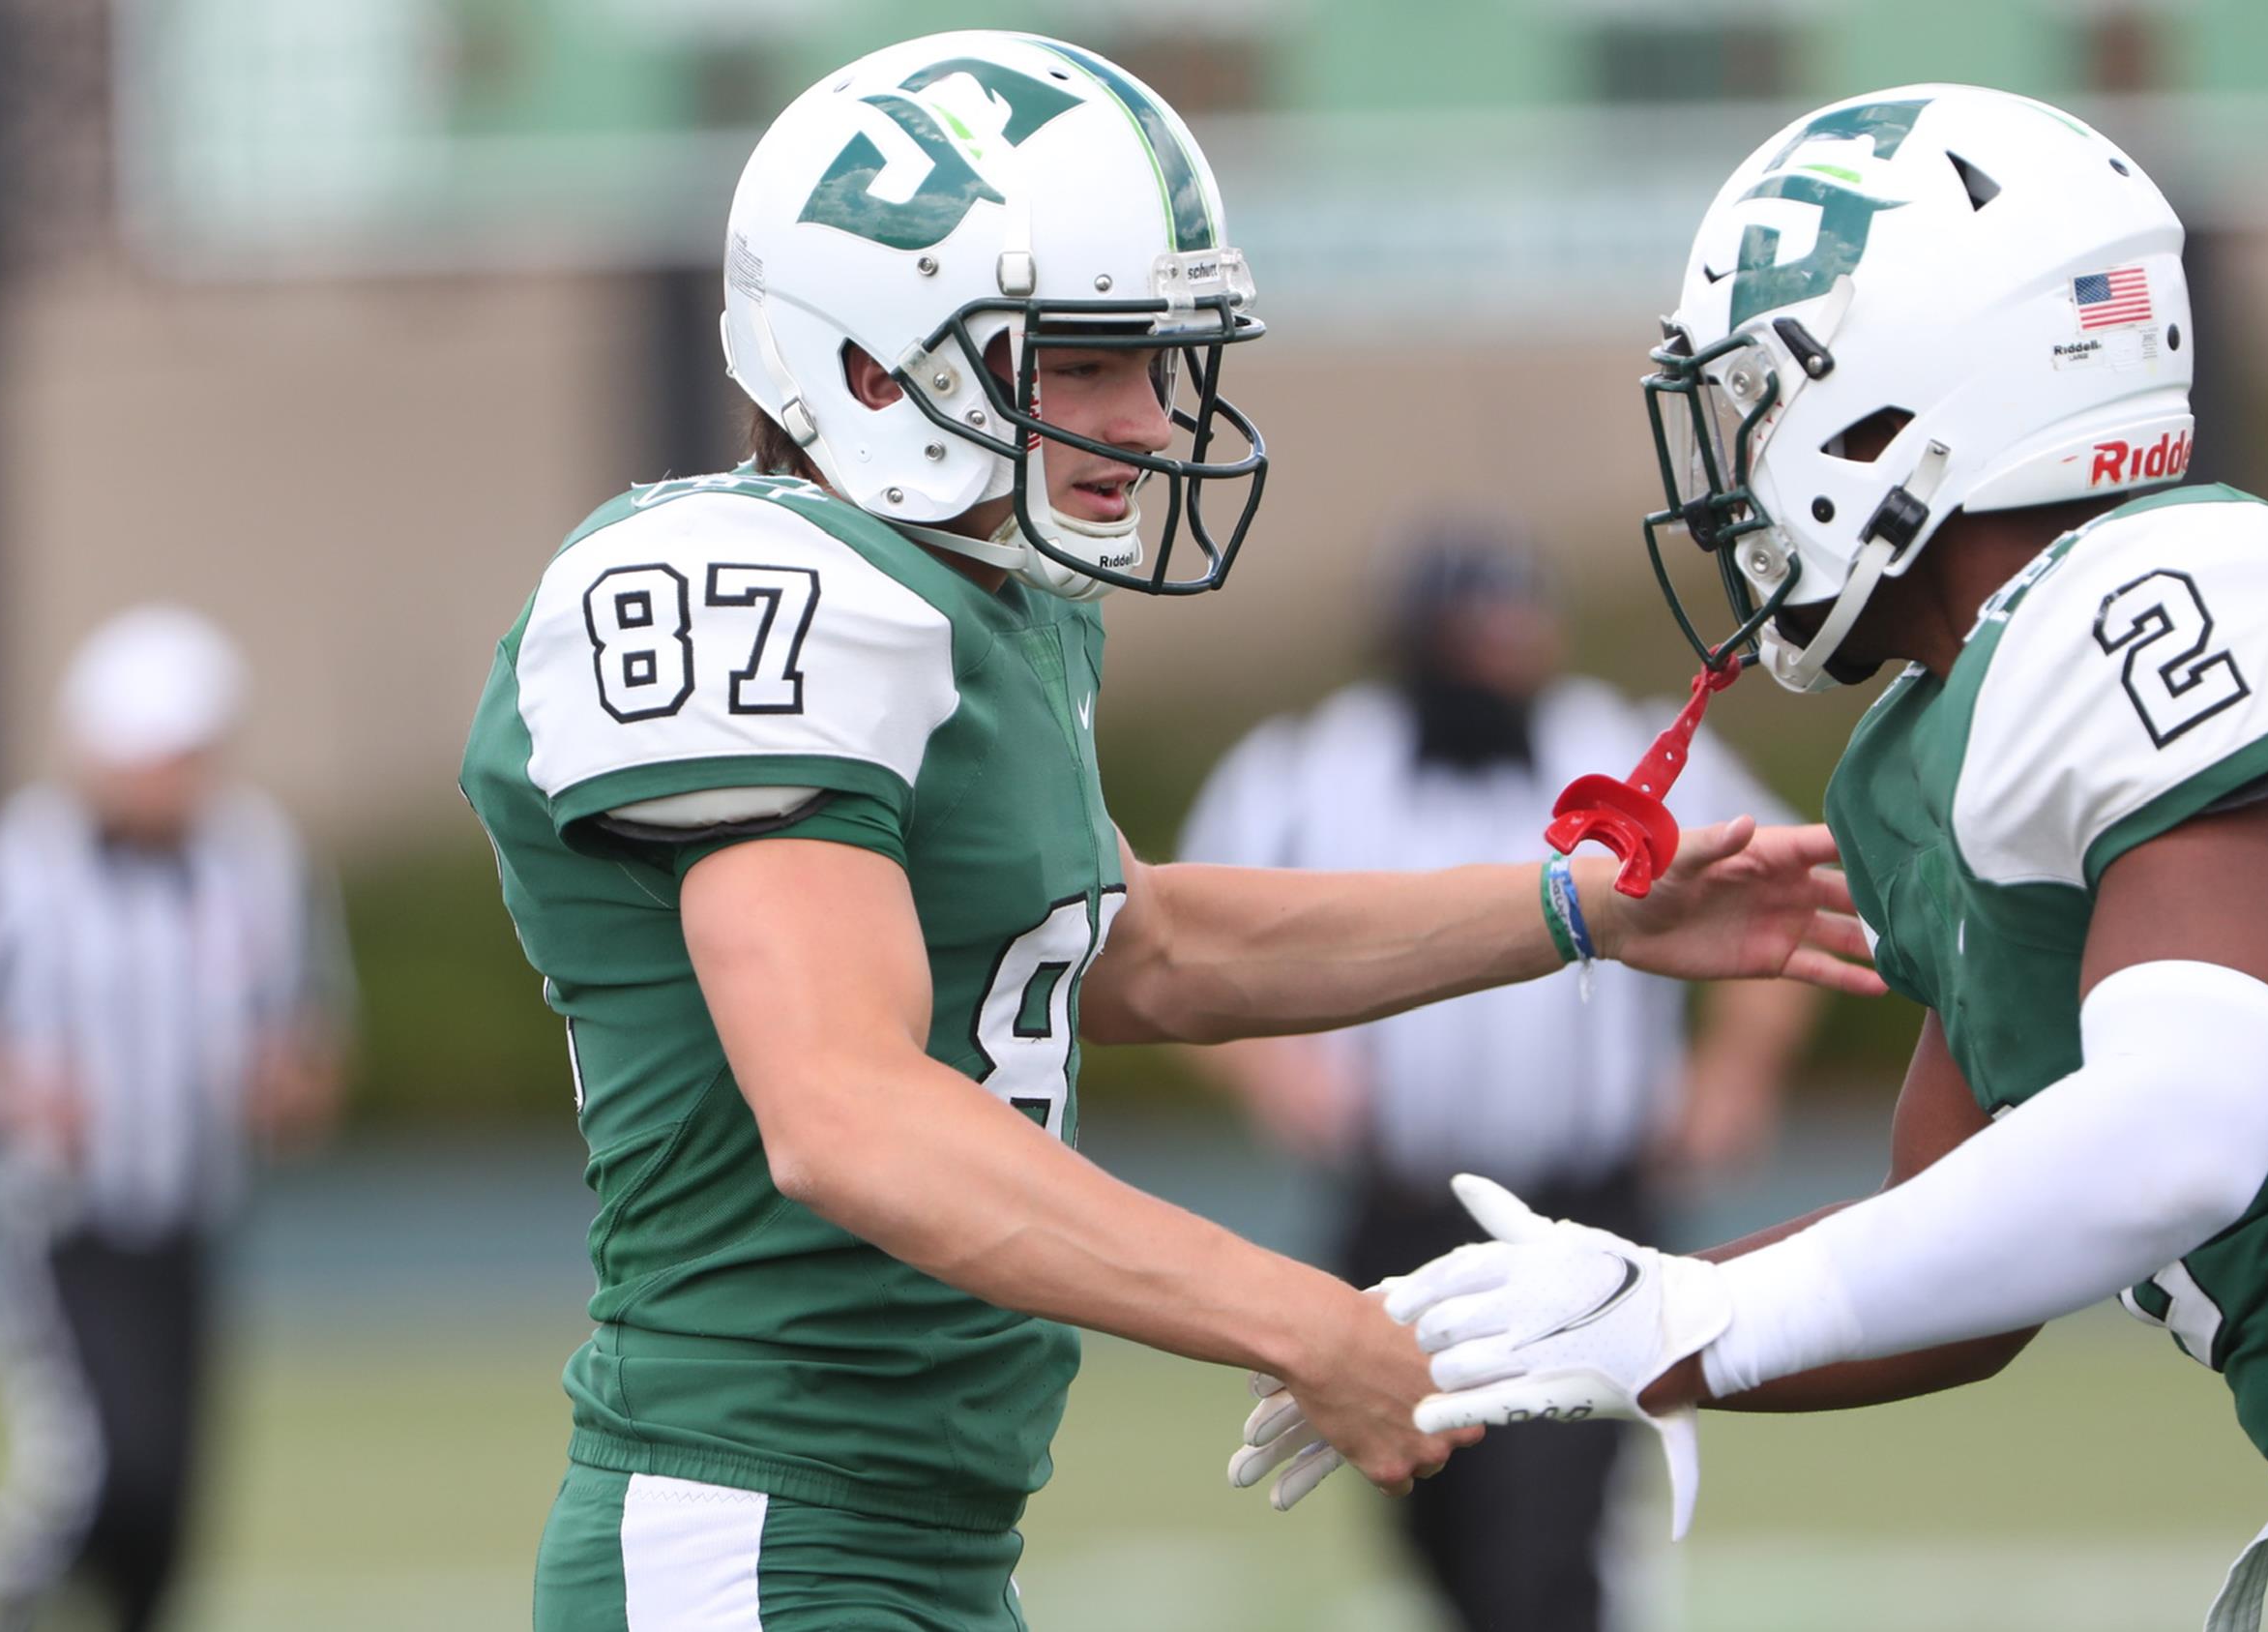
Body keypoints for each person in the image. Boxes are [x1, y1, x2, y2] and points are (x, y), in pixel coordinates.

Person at [456, 32, 1875, 1631]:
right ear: (869, 368)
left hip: (907, 1531)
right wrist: (1295, 1315)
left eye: (1153, 359)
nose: (1143, 418)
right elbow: (844, 1109)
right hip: (756, 1521)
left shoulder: (971, 600)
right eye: (1079, 362)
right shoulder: (760, 587)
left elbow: (1140, 945)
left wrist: (1578, 909)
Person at [1334, 83, 2268, 1632]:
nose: (1732, 475)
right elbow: (1955, 1267)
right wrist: (1598, 1324)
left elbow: (2181, 1128)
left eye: (1762, 404)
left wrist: (1706, 1307)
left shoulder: (2182, 579)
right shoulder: (1922, 751)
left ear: (1908, 399)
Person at [1178, 525, 1820, 1632]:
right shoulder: (1309, 764)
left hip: (1585, 1211)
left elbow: (1773, 887)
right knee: (1435, 1519)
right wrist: (1279, 1078)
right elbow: (1179, 944)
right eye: (1476, 629)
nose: (1504, 651)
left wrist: (1734, 1073)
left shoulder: (1625, 745)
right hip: (1401, 1212)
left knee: (1546, 1550)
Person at [0, 605, 352, 1632]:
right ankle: (7, 1590)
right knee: (98, 1467)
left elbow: (307, 1034)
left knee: (170, 1505)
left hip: (188, 1212)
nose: (173, 779)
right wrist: (14, 1088)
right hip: (49, 1216)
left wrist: (287, 1083)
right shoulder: (13, 866)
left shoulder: (257, 860)